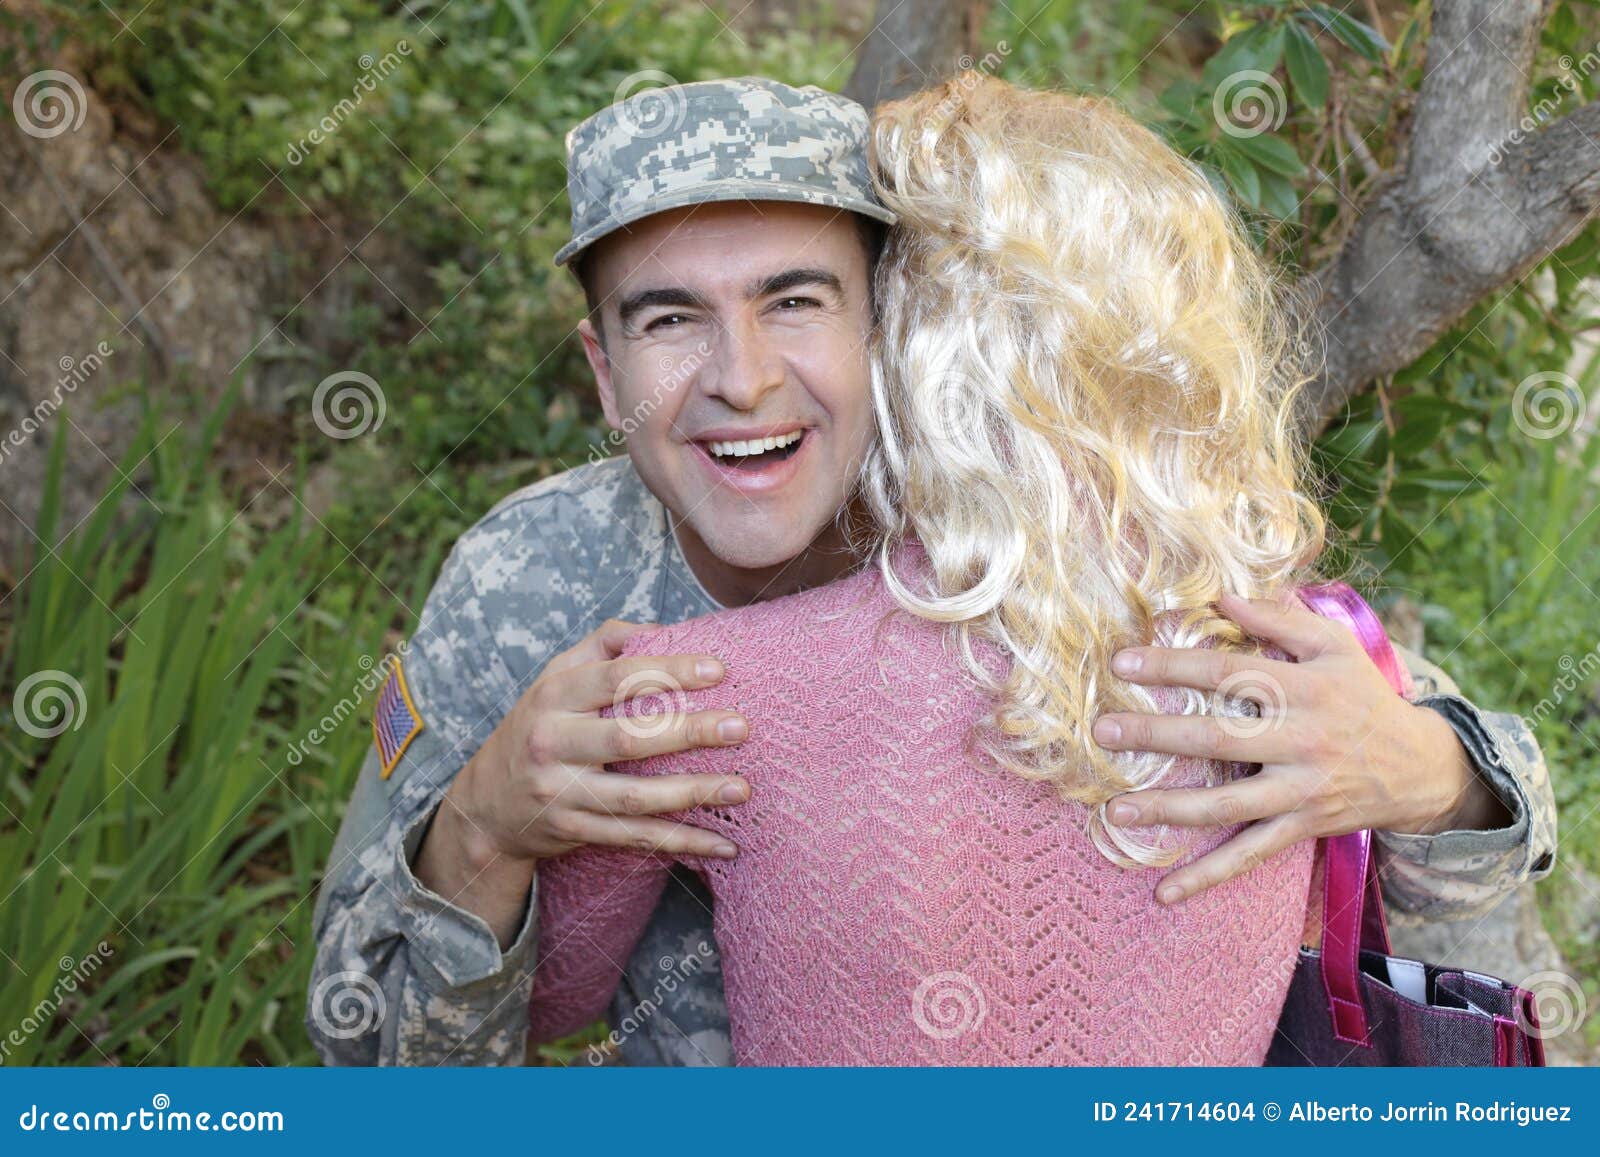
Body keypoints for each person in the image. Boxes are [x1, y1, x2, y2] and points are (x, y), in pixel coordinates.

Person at [306, 77, 1556, 1066]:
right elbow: (366, 1056)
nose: (740, 377)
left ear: (893, 325)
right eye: (670, 318)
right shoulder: (533, 578)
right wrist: (482, 830)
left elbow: (1475, 811)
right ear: (603, 368)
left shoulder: (1052, 537)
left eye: (795, 300)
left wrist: (1435, 771)